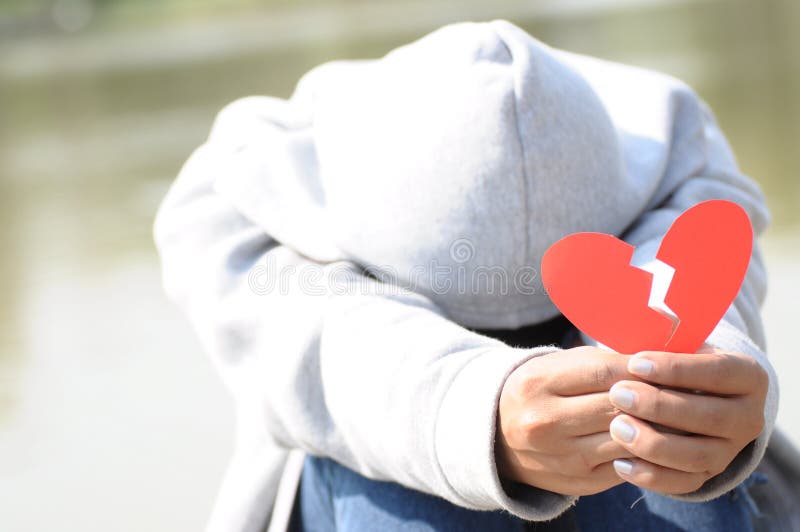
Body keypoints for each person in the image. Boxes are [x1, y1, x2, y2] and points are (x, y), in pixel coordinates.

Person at [154, 20, 778, 532]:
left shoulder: (668, 137)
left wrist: (707, 375)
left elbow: (703, 245)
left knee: (676, 479)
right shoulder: (275, 164)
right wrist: (466, 409)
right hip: (370, 460)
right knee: (398, 502)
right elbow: (284, 315)